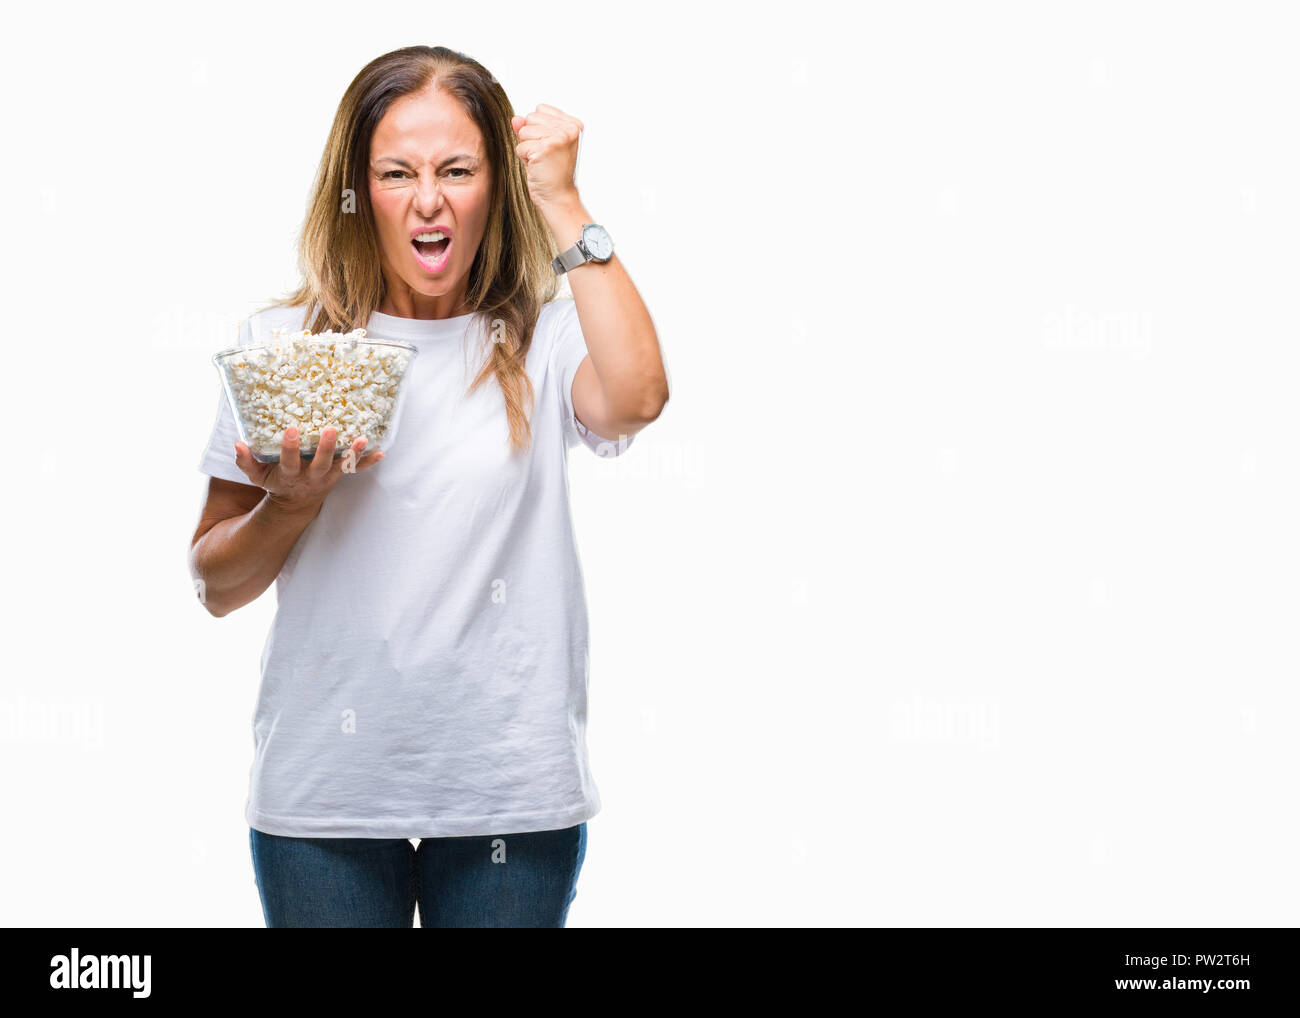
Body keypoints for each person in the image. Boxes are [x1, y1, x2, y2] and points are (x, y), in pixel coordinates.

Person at [188, 45, 669, 928]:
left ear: (497, 185)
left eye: (457, 170)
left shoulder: (547, 339)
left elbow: (638, 398)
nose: (428, 200)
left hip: (509, 793)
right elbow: (215, 584)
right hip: (326, 798)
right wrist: (292, 504)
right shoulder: (284, 347)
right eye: (396, 173)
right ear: (357, 189)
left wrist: (565, 202)